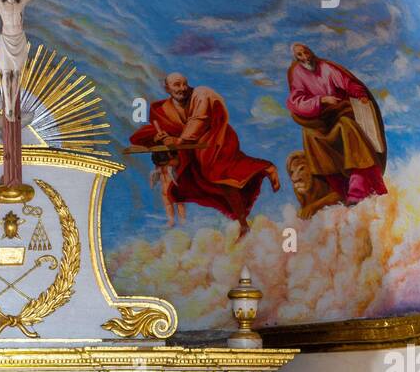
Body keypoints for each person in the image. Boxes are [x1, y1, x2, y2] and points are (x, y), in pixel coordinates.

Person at [128, 72, 279, 236]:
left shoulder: (201, 93)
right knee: (197, 185)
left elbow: (199, 120)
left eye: (184, 84)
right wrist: (159, 137)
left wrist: (177, 141)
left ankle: (265, 170)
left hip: (216, 140)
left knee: (223, 177)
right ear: (167, 88)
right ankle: (243, 225)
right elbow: (156, 132)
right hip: (194, 151)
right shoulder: (163, 110)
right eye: (177, 85)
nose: (182, 88)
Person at [285, 42, 387, 206]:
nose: (304, 57)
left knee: (348, 127)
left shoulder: (326, 68)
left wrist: (359, 94)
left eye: (306, 52)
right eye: (300, 55)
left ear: (311, 51)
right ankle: (339, 188)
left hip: (340, 113)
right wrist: (321, 100)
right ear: (296, 58)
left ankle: (358, 187)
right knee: (310, 135)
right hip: (319, 120)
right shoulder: (296, 73)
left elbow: (347, 83)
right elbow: (296, 101)